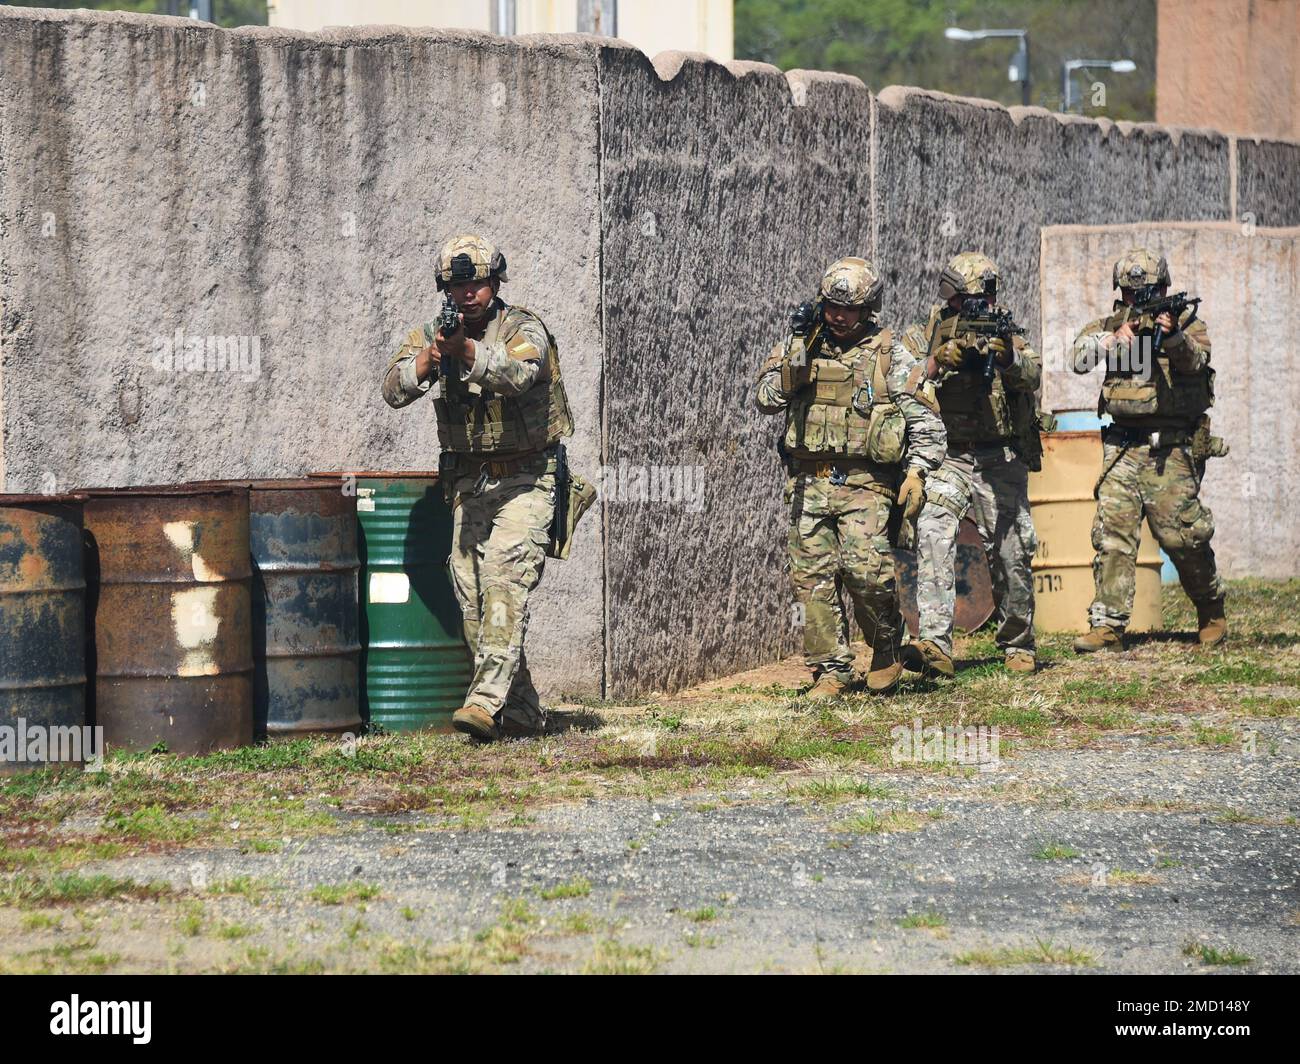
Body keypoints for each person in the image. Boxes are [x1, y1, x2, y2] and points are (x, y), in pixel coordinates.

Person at [382, 235, 575, 740]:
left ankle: (486, 702)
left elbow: (519, 373)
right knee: (471, 600)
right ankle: (524, 712)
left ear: (495, 283)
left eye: (476, 283)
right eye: (456, 284)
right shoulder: (434, 332)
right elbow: (392, 388)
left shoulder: (522, 327)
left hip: (529, 479)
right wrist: (430, 357)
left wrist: (464, 351)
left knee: (505, 581)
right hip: (470, 484)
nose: (467, 294)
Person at [755, 257, 946, 697]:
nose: (839, 317)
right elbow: (764, 399)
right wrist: (793, 372)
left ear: (868, 308)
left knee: (866, 573)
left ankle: (885, 644)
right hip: (810, 482)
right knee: (812, 578)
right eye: (832, 308)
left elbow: (927, 421)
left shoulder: (890, 355)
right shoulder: (801, 346)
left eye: (850, 309)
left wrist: (917, 471)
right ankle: (831, 671)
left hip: (866, 484)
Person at [1069, 247, 1227, 652]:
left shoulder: (1187, 324)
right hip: (1122, 445)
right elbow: (1078, 358)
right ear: (1121, 293)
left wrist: (1172, 336)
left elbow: (1198, 361)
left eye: (1148, 291)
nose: (1139, 299)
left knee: (1181, 538)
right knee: (1112, 537)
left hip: (1169, 450)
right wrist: (1111, 340)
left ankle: (1210, 609)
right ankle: (1108, 625)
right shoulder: (1113, 324)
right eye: (1132, 292)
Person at [900, 252, 1045, 677]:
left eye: (986, 297)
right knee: (931, 535)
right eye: (969, 300)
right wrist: (936, 361)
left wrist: (1006, 359)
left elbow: (1033, 374)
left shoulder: (1008, 330)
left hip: (999, 457)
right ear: (951, 298)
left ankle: (1017, 642)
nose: (978, 306)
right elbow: (902, 382)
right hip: (948, 456)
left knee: (1013, 550)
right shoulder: (926, 332)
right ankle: (934, 644)